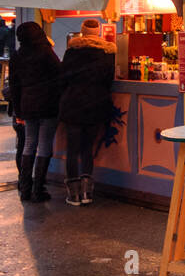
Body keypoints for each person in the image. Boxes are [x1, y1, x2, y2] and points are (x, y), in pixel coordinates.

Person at [59, 17, 116, 207]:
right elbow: (109, 80)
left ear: (83, 31)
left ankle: (73, 195)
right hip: (96, 103)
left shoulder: (72, 50)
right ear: (98, 31)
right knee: (87, 149)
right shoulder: (107, 52)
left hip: (73, 103)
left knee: (73, 149)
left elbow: (63, 77)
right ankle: (87, 192)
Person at [8, 21, 61, 202]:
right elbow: (59, 75)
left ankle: (25, 189)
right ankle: (38, 189)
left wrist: (18, 110)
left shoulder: (17, 56)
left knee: (29, 144)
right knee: (44, 145)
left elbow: (14, 86)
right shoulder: (46, 52)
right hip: (48, 105)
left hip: (27, 104)